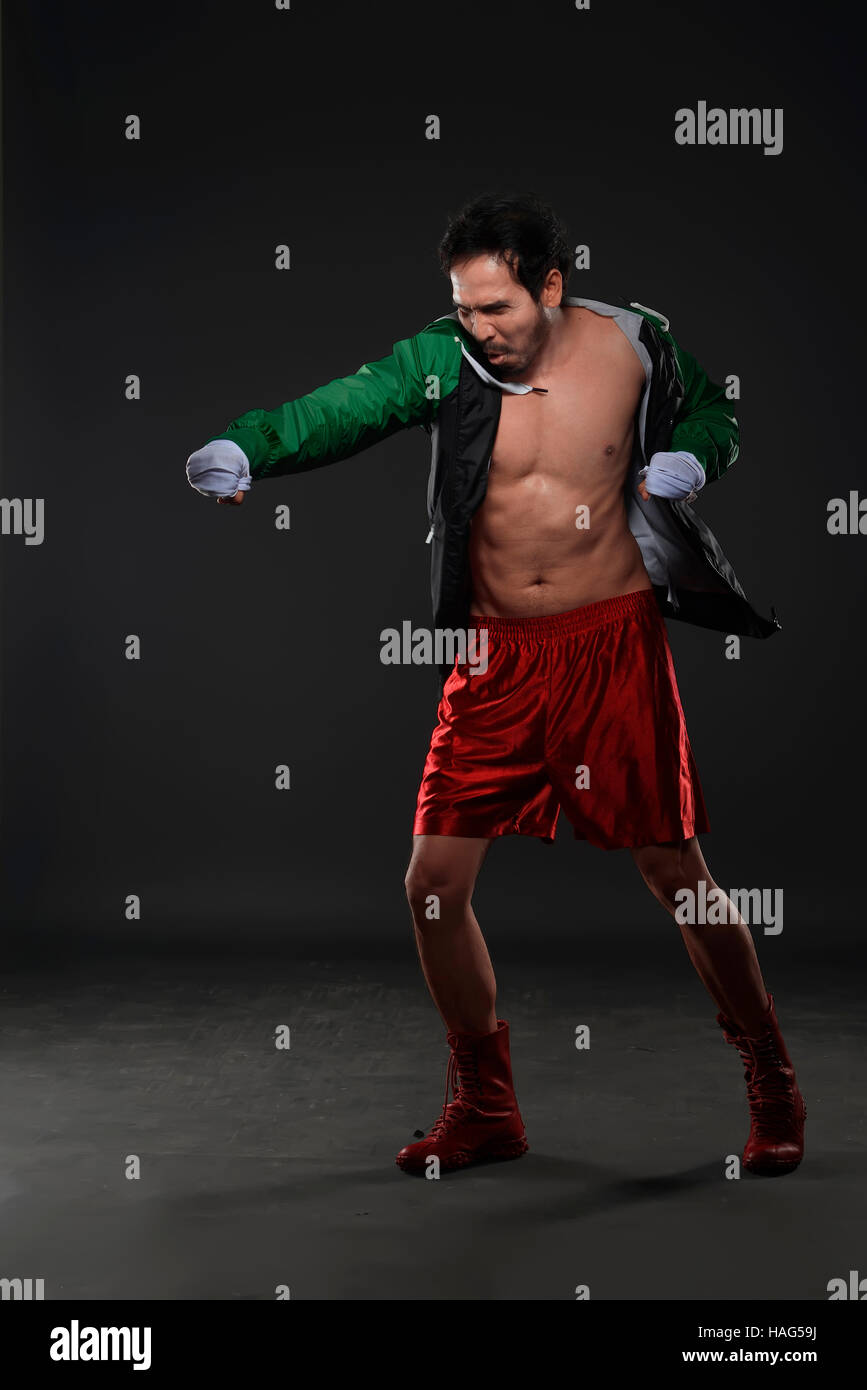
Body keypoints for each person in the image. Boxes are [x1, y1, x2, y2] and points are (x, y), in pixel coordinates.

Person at [186, 192, 805, 1179]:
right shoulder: (445, 358)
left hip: (611, 644)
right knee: (432, 885)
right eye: (465, 309)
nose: (481, 330)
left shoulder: (634, 344)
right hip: (494, 655)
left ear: (551, 287)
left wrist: (699, 453)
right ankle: (486, 1104)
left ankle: (772, 1081)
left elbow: (713, 408)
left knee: (677, 878)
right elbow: (347, 407)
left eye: (499, 309)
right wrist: (250, 445)